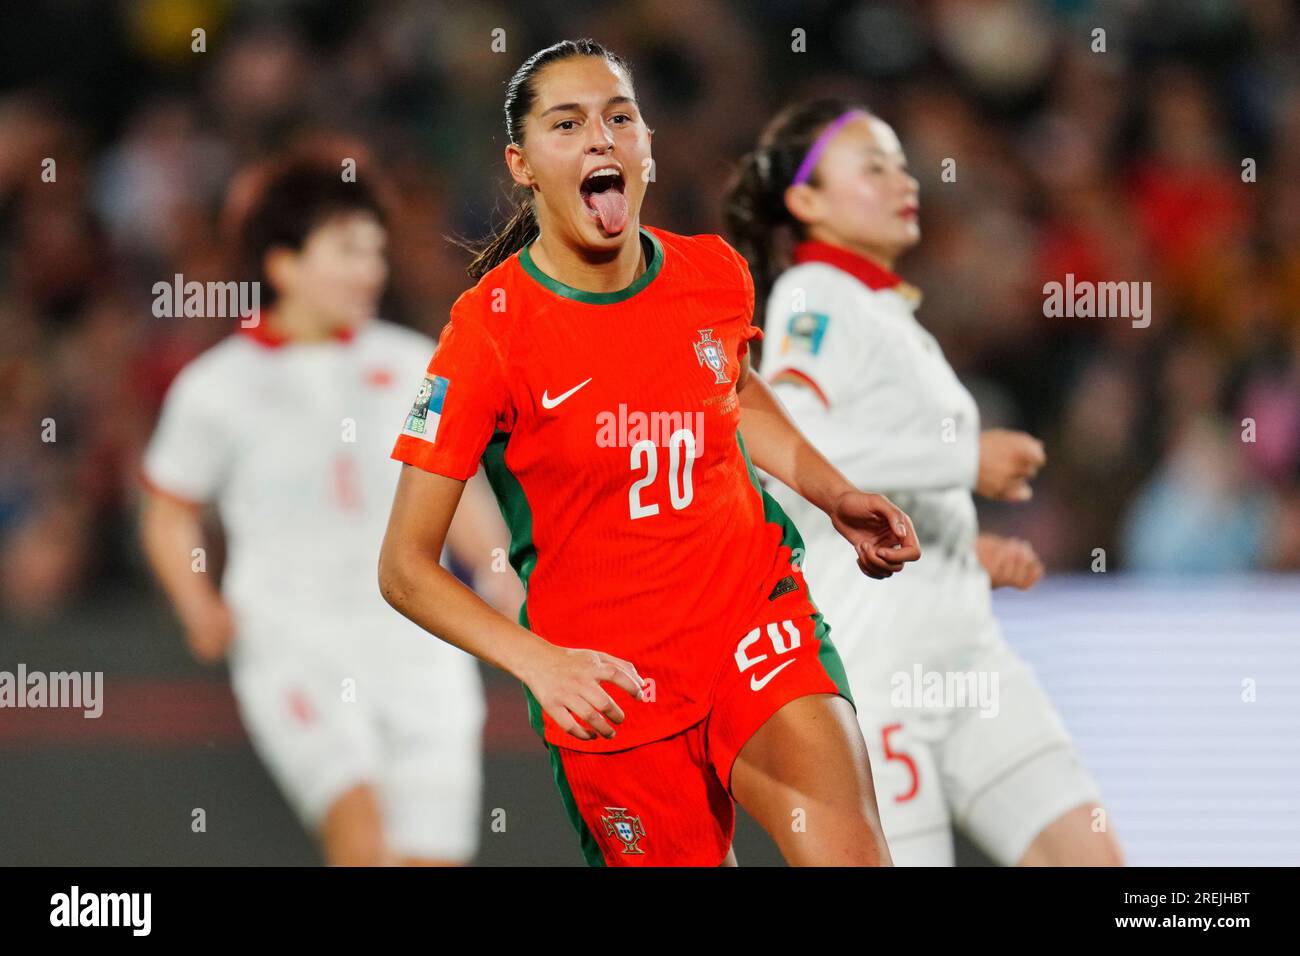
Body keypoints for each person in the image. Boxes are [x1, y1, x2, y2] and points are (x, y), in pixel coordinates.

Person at [378, 39, 923, 867]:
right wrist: (540, 666)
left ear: (648, 149)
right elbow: (404, 569)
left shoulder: (713, 275)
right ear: (522, 166)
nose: (602, 138)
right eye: (569, 124)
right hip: (611, 688)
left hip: (750, 618)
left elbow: (731, 390)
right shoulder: (489, 334)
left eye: (619, 118)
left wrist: (832, 490)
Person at [724, 98, 1124, 866]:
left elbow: (880, 478)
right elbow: (803, 447)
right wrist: (965, 460)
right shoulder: (817, 301)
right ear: (807, 202)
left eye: (903, 163)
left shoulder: (881, 309)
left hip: (968, 657)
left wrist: (961, 548)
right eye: (871, 166)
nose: (902, 179)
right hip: (882, 672)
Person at [139, 145, 509, 865]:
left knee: (428, 857)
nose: (370, 268)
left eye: (375, 249)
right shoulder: (217, 389)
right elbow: (169, 509)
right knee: (359, 827)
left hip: (419, 646)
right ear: (282, 265)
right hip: (291, 645)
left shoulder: (414, 365)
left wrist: (496, 570)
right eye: (346, 249)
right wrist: (196, 601)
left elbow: (447, 484)